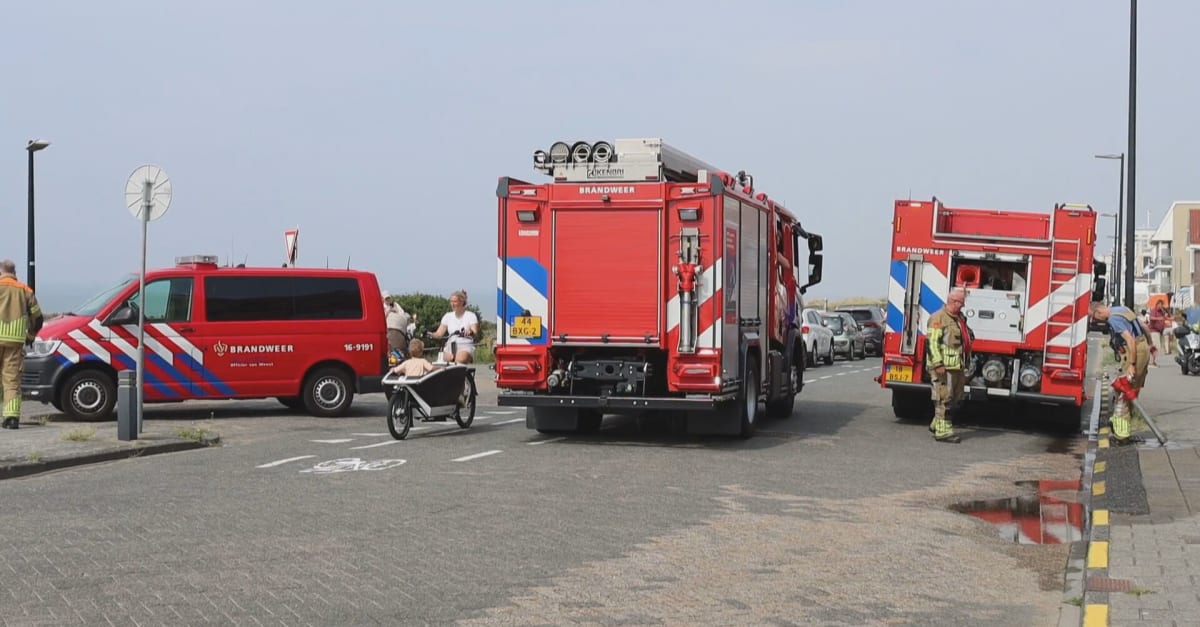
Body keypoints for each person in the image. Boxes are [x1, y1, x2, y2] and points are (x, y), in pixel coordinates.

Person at [1090, 302, 1151, 445]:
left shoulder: (1113, 319)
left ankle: (1121, 436)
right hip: (1143, 347)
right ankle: (1125, 432)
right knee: (1132, 391)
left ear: (1098, 312)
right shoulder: (1122, 309)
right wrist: (1150, 345)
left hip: (1135, 352)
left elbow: (1130, 340)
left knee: (1123, 392)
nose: (1095, 320)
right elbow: (1143, 327)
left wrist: (1132, 365)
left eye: (1094, 317)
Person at [0, 260, 44, 430]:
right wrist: (30, 336)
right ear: (14, 273)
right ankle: (11, 418)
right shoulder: (25, 290)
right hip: (15, 341)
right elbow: (38, 319)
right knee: (11, 380)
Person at [925, 288, 973, 444]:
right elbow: (932, 343)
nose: (963, 305)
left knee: (955, 398)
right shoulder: (938, 318)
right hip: (943, 368)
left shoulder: (959, 318)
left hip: (956, 366)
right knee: (944, 399)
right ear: (953, 301)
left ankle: (936, 424)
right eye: (961, 302)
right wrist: (937, 364)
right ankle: (943, 432)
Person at [429, 290, 479, 364]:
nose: (452, 304)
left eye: (455, 301)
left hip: (465, 346)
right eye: (451, 301)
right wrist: (430, 334)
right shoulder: (447, 316)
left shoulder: (471, 316)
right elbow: (439, 333)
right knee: (440, 361)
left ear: (462, 302)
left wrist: (470, 331)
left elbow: (475, 332)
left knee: (460, 359)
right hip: (450, 346)